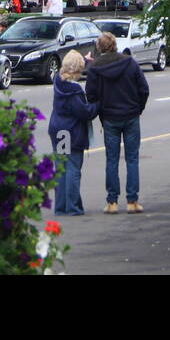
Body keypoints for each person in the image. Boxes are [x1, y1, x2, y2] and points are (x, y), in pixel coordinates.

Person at [85, 30, 149, 213]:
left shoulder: (95, 68)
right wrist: (139, 109)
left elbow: (91, 95)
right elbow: (143, 89)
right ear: (115, 45)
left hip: (110, 118)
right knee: (132, 159)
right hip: (130, 115)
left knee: (111, 160)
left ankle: (112, 202)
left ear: (99, 47)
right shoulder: (129, 62)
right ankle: (132, 201)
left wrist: (100, 111)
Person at [49, 51, 98, 216]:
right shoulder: (74, 90)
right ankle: (73, 207)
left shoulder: (58, 81)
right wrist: (97, 105)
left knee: (61, 167)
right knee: (73, 168)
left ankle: (61, 207)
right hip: (71, 130)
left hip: (58, 129)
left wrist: (83, 59)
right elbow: (85, 112)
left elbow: (70, 66)